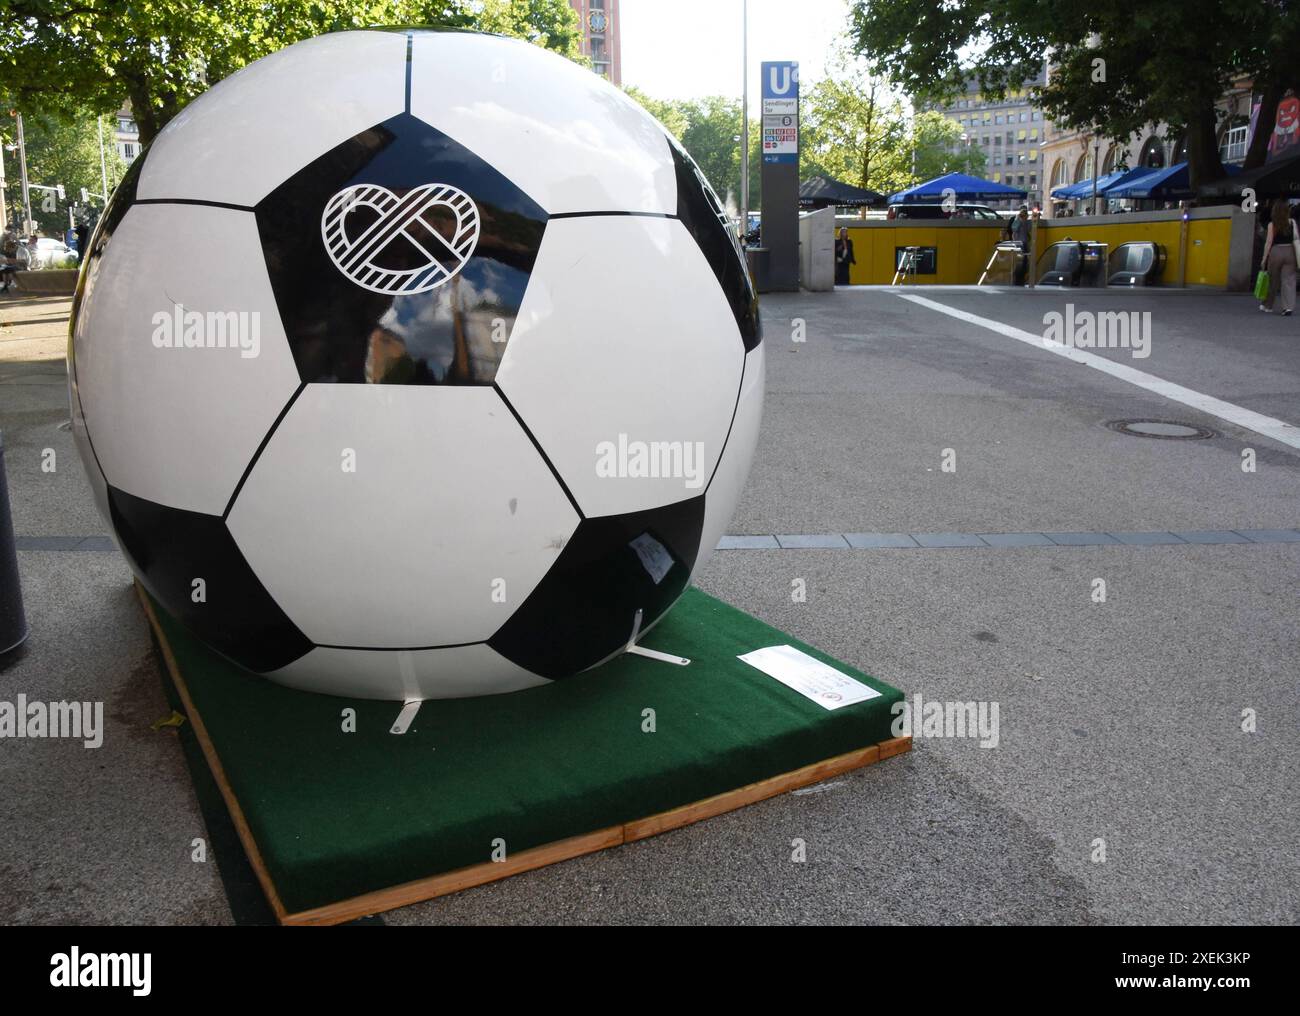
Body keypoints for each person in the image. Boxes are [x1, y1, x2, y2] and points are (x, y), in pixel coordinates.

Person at [1261, 199, 1297, 315]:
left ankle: (1268, 305)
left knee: (1273, 280)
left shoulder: (1272, 224)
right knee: (1289, 280)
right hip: (1290, 251)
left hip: (1276, 252)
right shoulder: (1292, 222)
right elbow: (1296, 238)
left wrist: (1264, 258)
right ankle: (1288, 307)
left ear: (1274, 211)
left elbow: (1269, 242)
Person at [1005, 205, 1031, 285]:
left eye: (1025, 213)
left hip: (1025, 243)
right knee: (1018, 262)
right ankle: (1017, 278)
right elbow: (1014, 229)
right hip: (1018, 243)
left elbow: (1029, 229)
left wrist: (1024, 221)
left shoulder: (1027, 222)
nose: (1024, 215)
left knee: (1025, 262)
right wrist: (1018, 219)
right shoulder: (1016, 221)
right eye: (1022, 213)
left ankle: (1022, 277)